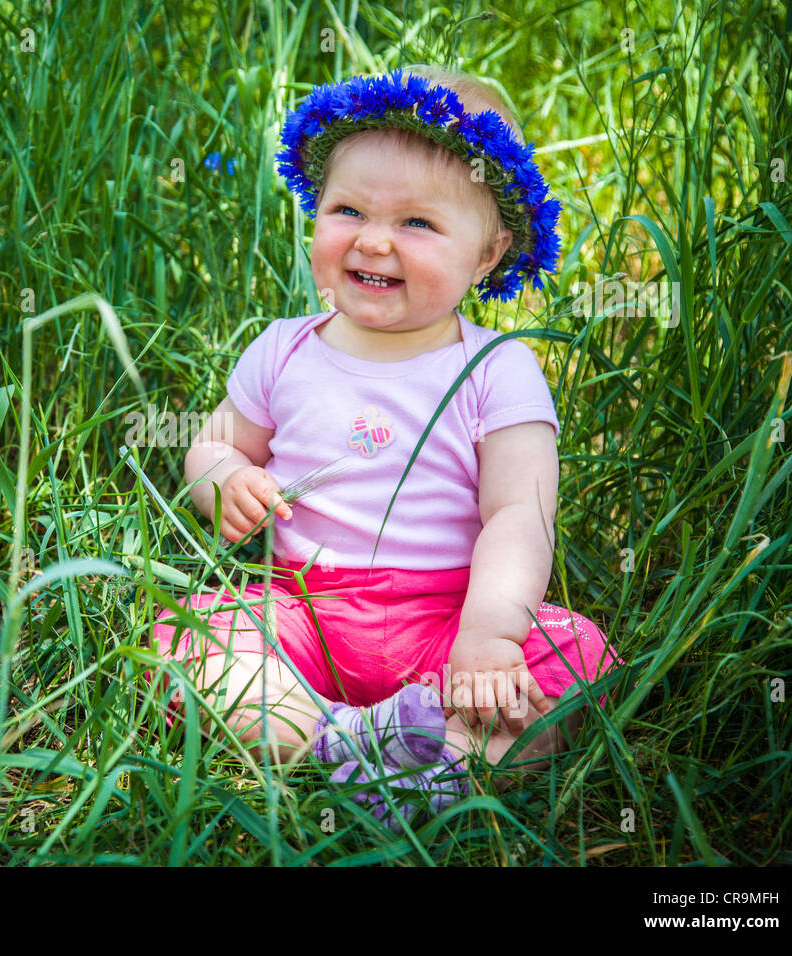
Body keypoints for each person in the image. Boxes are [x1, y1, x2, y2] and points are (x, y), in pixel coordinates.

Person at [149, 66, 619, 830]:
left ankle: (443, 768)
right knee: (193, 635)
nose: (372, 239)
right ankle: (340, 741)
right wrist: (227, 478)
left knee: (570, 661)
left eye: (418, 224)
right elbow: (211, 448)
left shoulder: (496, 370)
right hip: (302, 610)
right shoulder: (283, 350)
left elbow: (517, 515)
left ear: (489, 254)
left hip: (449, 621)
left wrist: (490, 637)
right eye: (348, 209)